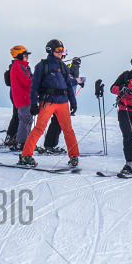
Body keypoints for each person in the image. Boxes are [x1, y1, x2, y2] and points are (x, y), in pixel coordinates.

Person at [18, 39, 80, 169]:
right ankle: (26, 155)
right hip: (48, 102)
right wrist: (34, 104)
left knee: (68, 130)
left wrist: (73, 103)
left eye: (62, 50)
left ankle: (74, 156)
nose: (61, 53)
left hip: (63, 103)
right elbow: (34, 87)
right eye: (58, 50)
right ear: (50, 51)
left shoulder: (63, 67)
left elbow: (69, 86)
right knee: (39, 129)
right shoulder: (42, 66)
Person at [40, 50, 86, 155]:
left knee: (56, 123)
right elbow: (66, 81)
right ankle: (49, 145)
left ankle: (50, 145)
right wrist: (79, 81)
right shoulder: (61, 67)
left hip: (58, 99)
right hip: (55, 99)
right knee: (56, 123)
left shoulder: (63, 66)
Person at [5, 45, 32, 151]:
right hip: (23, 97)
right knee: (24, 120)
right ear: (19, 55)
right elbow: (26, 82)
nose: (27, 57)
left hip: (23, 97)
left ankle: (23, 141)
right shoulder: (19, 66)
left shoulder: (21, 66)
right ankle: (21, 143)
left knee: (26, 119)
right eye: (25, 55)